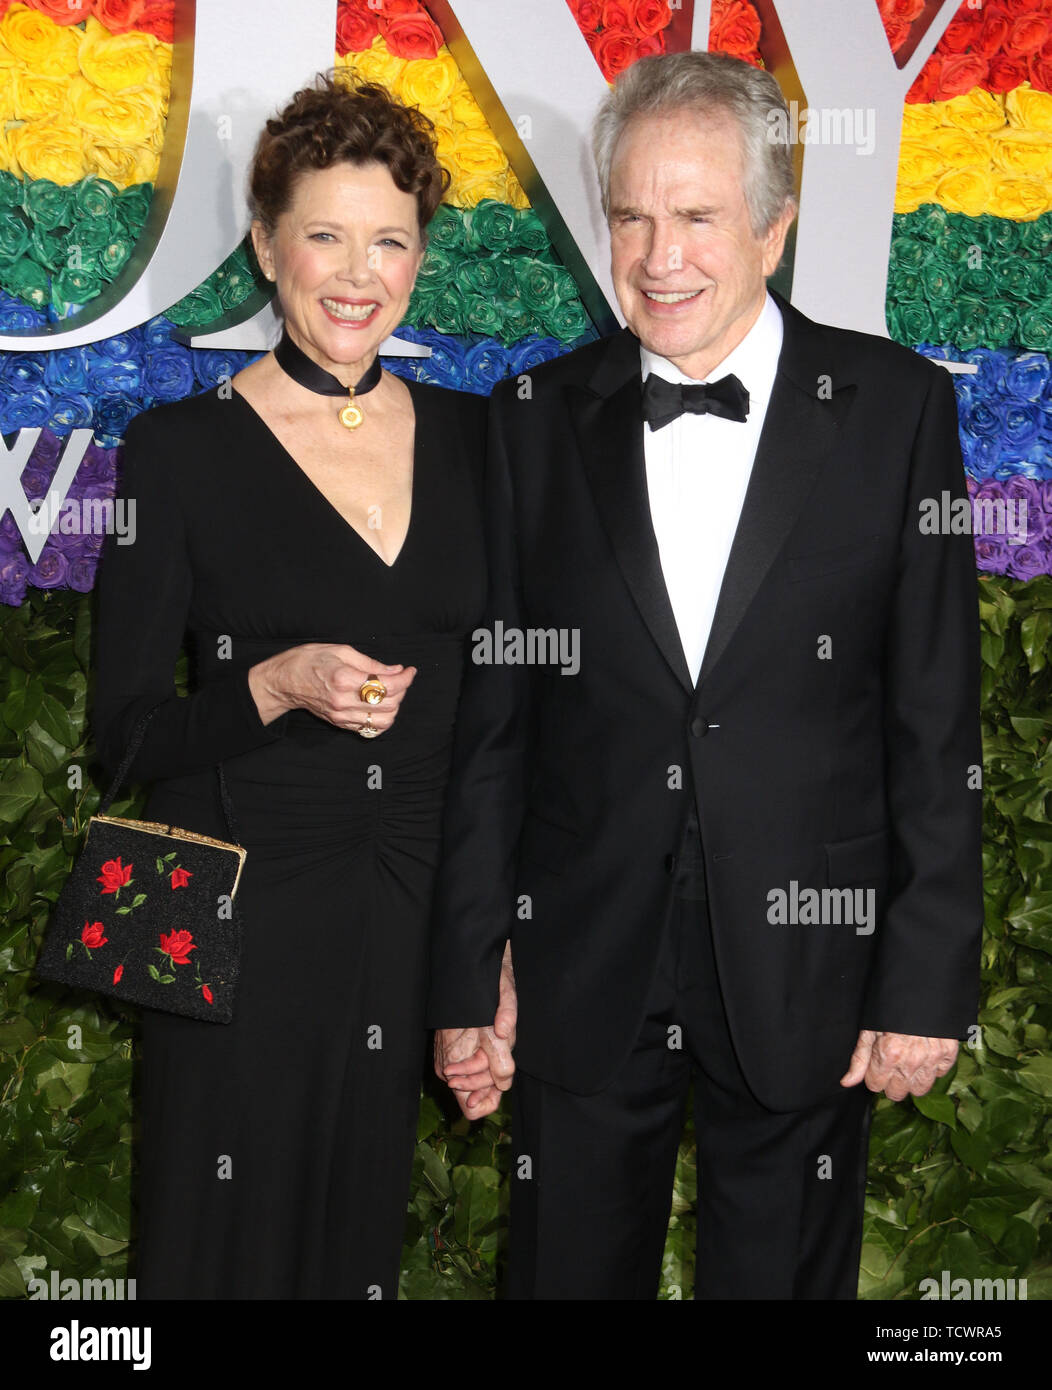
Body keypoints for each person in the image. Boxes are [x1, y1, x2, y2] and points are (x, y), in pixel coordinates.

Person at [428, 50, 983, 1300]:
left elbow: (932, 715)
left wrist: (925, 977)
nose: (657, 254)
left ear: (773, 230)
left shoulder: (892, 410)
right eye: (630, 214)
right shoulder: (528, 416)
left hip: (805, 953)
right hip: (580, 956)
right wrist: (471, 967)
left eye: (695, 216)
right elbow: (495, 722)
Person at [91, 71, 486, 1299]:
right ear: (267, 246)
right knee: (219, 1254)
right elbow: (119, 738)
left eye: (389, 239)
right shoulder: (178, 451)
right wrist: (269, 685)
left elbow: (504, 724)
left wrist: (486, 956)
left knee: (357, 1247)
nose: (357, 273)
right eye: (324, 235)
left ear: (419, 256)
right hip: (239, 928)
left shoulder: (483, 443)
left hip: (407, 913)